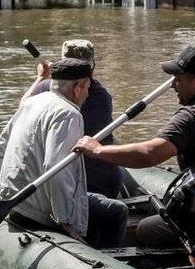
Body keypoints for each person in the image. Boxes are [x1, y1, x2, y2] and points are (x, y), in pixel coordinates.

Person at [73, 45, 195, 247]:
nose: (173, 86)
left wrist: (97, 149)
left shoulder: (192, 116)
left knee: (145, 229)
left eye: (179, 80)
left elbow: (150, 154)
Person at [0, 58, 127, 248]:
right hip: (40, 209)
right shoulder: (68, 113)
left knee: (98, 200)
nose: (88, 93)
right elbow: (56, 168)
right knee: (116, 211)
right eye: (87, 87)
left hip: (16, 202)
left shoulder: (31, 102)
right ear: (77, 87)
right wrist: (64, 220)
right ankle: (111, 262)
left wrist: (6, 196)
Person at [22, 39, 123, 198]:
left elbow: (23, 108)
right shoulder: (102, 96)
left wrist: (41, 78)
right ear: (92, 65)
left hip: (78, 183)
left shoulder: (45, 89)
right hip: (96, 183)